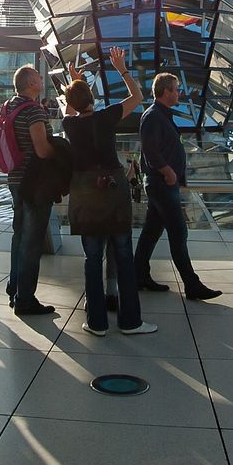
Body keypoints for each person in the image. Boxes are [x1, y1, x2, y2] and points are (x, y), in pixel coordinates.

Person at [63, 48, 157, 335]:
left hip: (84, 194)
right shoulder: (105, 117)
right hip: (114, 192)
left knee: (92, 259)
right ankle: (130, 321)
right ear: (92, 99)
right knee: (124, 256)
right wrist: (122, 69)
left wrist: (75, 82)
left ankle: (96, 322)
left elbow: (71, 109)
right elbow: (138, 98)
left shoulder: (69, 123)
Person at [134, 72, 222, 300]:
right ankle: (191, 284)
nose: (179, 92)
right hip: (161, 183)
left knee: (151, 231)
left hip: (163, 183)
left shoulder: (161, 115)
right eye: (175, 89)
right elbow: (150, 150)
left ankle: (139, 275)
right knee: (178, 232)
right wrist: (167, 170)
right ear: (165, 92)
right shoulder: (153, 116)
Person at [5, 63, 62, 314]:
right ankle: (25, 299)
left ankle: (14, 289)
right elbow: (42, 149)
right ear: (31, 84)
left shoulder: (9, 106)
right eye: (38, 77)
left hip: (15, 179)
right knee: (32, 241)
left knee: (19, 236)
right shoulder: (34, 111)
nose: (42, 80)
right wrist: (60, 152)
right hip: (34, 182)